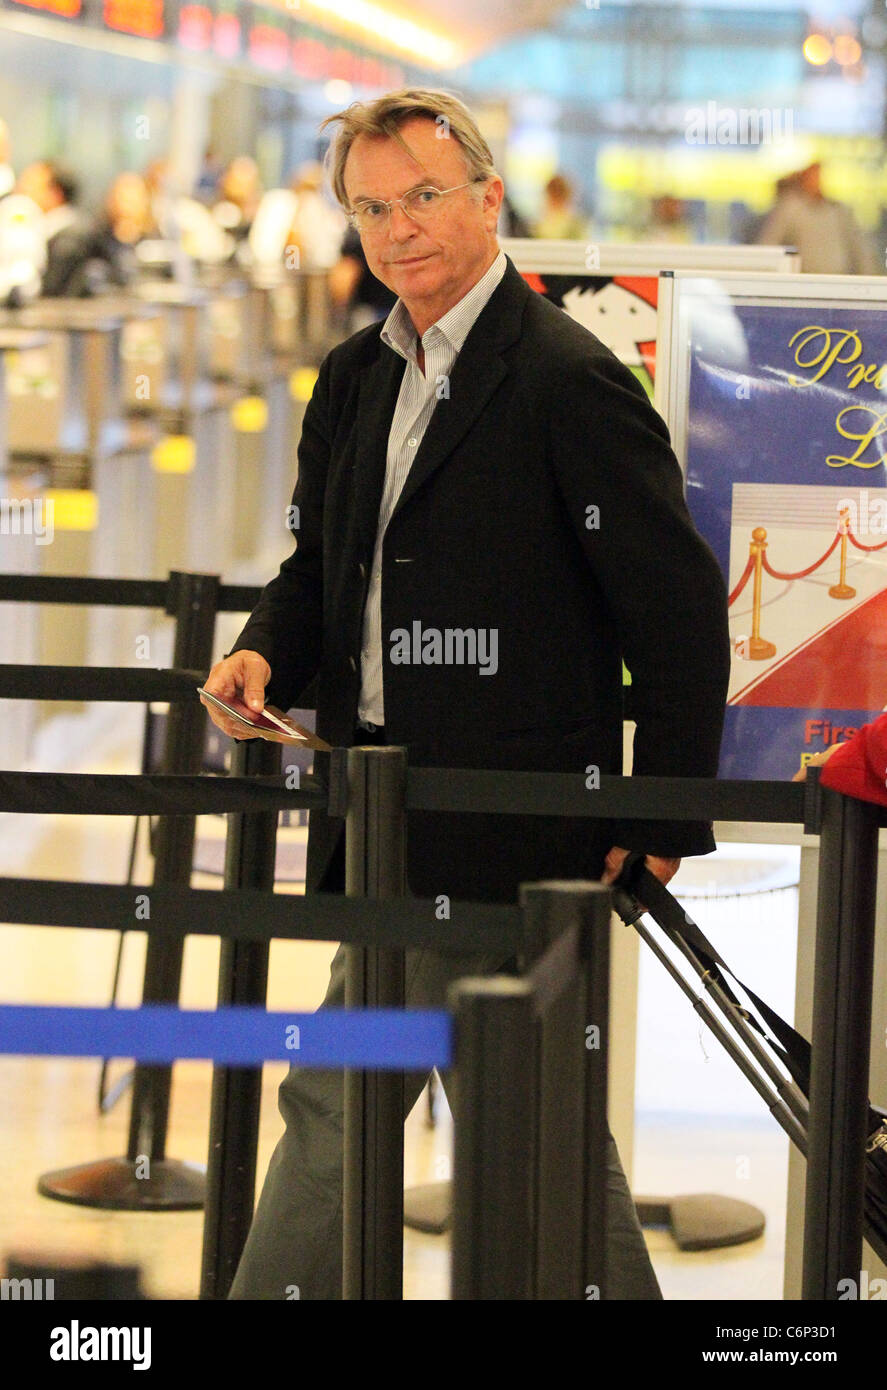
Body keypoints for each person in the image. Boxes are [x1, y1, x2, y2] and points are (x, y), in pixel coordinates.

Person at [200, 87, 731, 1300]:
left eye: (425, 196)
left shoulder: (564, 379)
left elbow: (674, 608)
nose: (398, 229)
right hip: (378, 806)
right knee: (446, 1120)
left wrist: (657, 822)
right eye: (370, 208)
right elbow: (320, 571)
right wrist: (264, 652)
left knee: (430, 1118)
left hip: (509, 825)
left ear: (488, 197)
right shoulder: (353, 378)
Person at [755, 162, 878, 274]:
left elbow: (859, 248)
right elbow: (768, 243)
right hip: (805, 281)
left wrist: (870, 278)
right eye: (812, 176)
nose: (816, 181)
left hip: (839, 278)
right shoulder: (791, 209)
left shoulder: (838, 211)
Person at [16, 160, 93, 296]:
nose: (19, 190)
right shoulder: (41, 230)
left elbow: (50, 291)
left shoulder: (70, 239)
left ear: (55, 193)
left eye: (30, 184)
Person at [533, 172, 590, 240]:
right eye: (552, 194)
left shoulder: (574, 222)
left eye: (558, 194)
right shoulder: (540, 221)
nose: (554, 199)